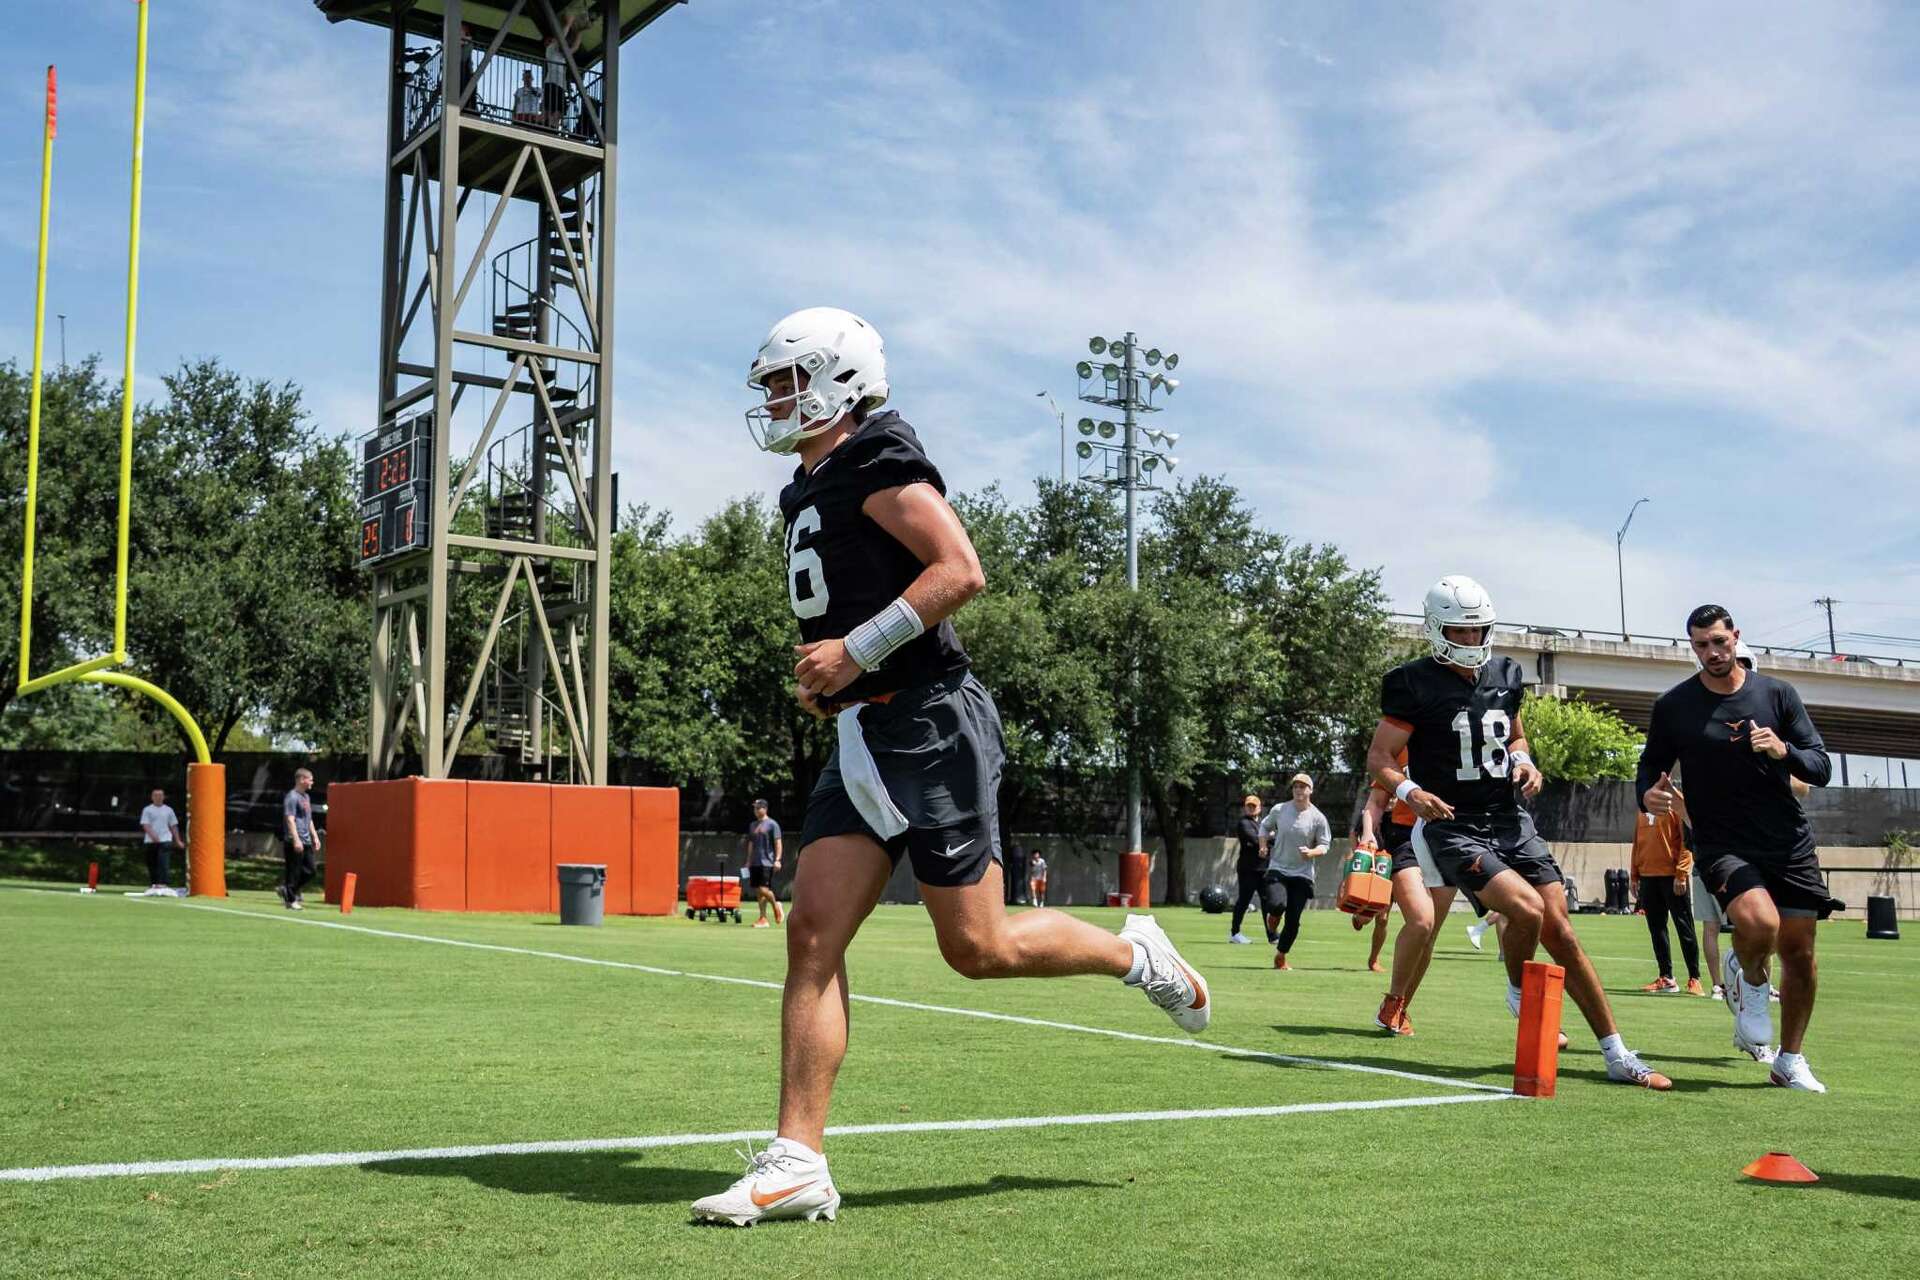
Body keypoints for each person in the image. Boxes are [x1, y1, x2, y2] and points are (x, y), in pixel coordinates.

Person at [691, 308, 1209, 1227]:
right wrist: (831, 678)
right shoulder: (805, 486)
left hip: (930, 722)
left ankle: (1138, 956)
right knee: (811, 932)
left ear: (836, 378)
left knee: (978, 949)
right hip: (861, 733)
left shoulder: (879, 456)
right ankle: (798, 1159)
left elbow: (958, 570)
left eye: (783, 380)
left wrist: (853, 650)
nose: (772, 400)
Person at [1367, 575, 1671, 1089]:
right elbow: (1378, 757)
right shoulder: (1411, 682)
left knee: (1562, 932)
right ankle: (1517, 987)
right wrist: (1409, 793)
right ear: (1436, 631)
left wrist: (1525, 761)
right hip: (1452, 822)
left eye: (1478, 629)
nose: (1471, 640)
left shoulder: (1506, 672)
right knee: (1526, 910)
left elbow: (1516, 734)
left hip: (1509, 818)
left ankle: (1617, 1054)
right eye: (1460, 632)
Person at [1639, 604, 1833, 1091]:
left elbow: (1820, 766)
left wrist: (1783, 750)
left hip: (1788, 841)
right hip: (1723, 842)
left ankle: (1789, 1059)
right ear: (1693, 647)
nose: (1712, 653)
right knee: (1759, 923)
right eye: (1701, 645)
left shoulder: (1777, 695)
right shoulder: (1674, 706)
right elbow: (1650, 767)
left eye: (1719, 642)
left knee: (1799, 953)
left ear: (1736, 638)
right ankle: (1748, 979)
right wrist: (1649, 793)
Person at [1258, 773, 1330, 970]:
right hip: (1278, 867)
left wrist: (1311, 852)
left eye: (1303, 786)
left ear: (1310, 790)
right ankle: (1272, 917)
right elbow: (1264, 828)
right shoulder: (1280, 810)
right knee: (1277, 904)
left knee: (1293, 920)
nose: (1299, 790)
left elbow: (1325, 845)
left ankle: (1281, 955)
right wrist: (1263, 845)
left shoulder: (1317, 818)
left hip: (1302, 873)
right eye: (1296, 786)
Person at [1630, 800, 1701, 994]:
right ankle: (1666, 977)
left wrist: (1681, 873)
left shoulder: (1676, 804)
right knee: (1657, 928)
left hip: (1673, 876)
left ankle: (1695, 978)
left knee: (1684, 926)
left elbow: (1687, 841)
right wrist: (1634, 875)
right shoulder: (1642, 807)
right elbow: (1637, 842)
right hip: (1648, 876)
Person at [1228, 794, 1269, 943]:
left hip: (1263, 869)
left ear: (1259, 807)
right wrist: (1268, 837)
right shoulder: (1244, 823)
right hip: (1248, 869)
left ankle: (1272, 935)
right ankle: (1235, 933)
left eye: (1254, 806)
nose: (1251, 808)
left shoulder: (1263, 824)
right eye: (1248, 806)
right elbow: (1254, 839)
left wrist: (1266, 838)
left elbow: (1269, 839)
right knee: (1244, 900)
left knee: (1267, 902)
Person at [278, 769, 320, 911]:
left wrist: (315, 836)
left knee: (311, 870)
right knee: (293, 872)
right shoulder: (292, 797)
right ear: (302, 779)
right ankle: (290, 900)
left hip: (306, 840)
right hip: (294, 841)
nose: (312, 782)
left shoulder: (306, 797)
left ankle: (287, 890)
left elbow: (309, 820)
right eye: (310, 779)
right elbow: (290, 820)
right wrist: (296, 839)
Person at [742, 799, 784, 928]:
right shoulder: (753, 825)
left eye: (758, 808)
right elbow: (751, 844)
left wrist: (777, 859)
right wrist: (748, 861)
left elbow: (778, 842)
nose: (756, 810)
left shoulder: (772, 824)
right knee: (758, 892)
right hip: (755, 862)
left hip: (767, 862)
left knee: (763, 889)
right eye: (755, 808)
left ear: (765, 809)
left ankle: (776, 905)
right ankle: (763, 918)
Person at [138, 788, 185, 897]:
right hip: (151, 841)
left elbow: (173, 825)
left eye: (160, 795)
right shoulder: (147, 810)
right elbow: (145, 824)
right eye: (156, 795)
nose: (158, 797)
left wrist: (177, 840)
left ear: (163, 797)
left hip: (165, 840)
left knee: (163, 862)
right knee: (152, 862)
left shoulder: (168, 810)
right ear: (152, 797)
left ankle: (163, 884)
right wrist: (153, 836)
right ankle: (154, 884)